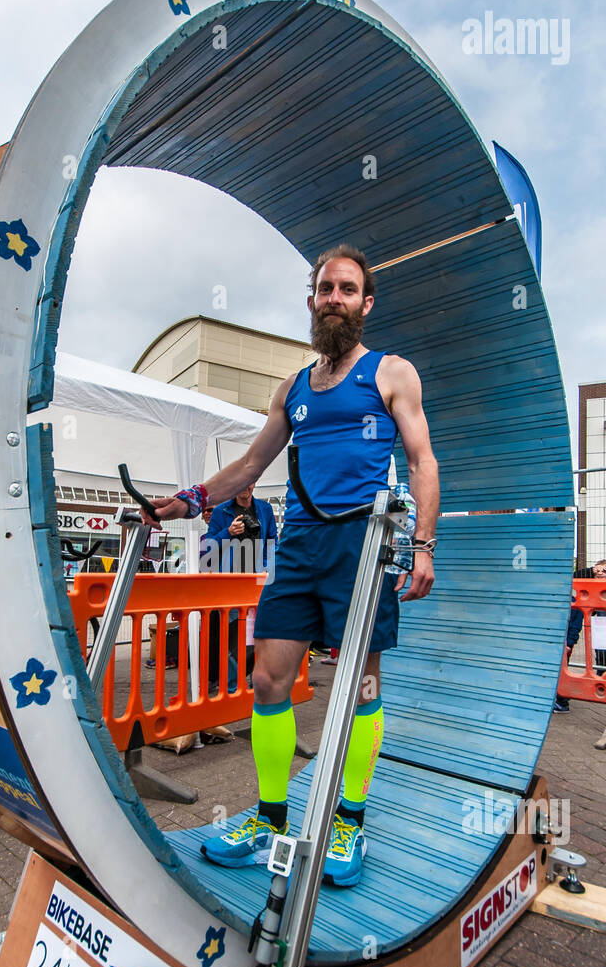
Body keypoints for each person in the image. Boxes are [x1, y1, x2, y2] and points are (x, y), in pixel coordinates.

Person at [143, 245, 438, 888]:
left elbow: (421, 462)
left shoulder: (391, 373)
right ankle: (273, 819)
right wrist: (187, 501)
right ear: (311, 301)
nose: (335, 298)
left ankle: (347, 823)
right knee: (269, 680)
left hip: (362, 543)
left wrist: (422, 546)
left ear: (365, 302)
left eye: (347, 289)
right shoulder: (293, 388)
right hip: (300, 546)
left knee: (360, 685)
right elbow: (250, 467)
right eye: (325, 288)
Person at [201, 484, 277, 690]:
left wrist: (267, 572)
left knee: (258, 634)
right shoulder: (220, 511)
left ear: (255, 482)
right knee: (232, 636)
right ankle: (233, 687)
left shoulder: (265, 509)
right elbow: (208, 549)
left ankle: (257, 682)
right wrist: (228, 532)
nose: (246, 487)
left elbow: (272, 543)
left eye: (250, 481)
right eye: (242, 482)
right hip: (231, 584)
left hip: (258, 582)